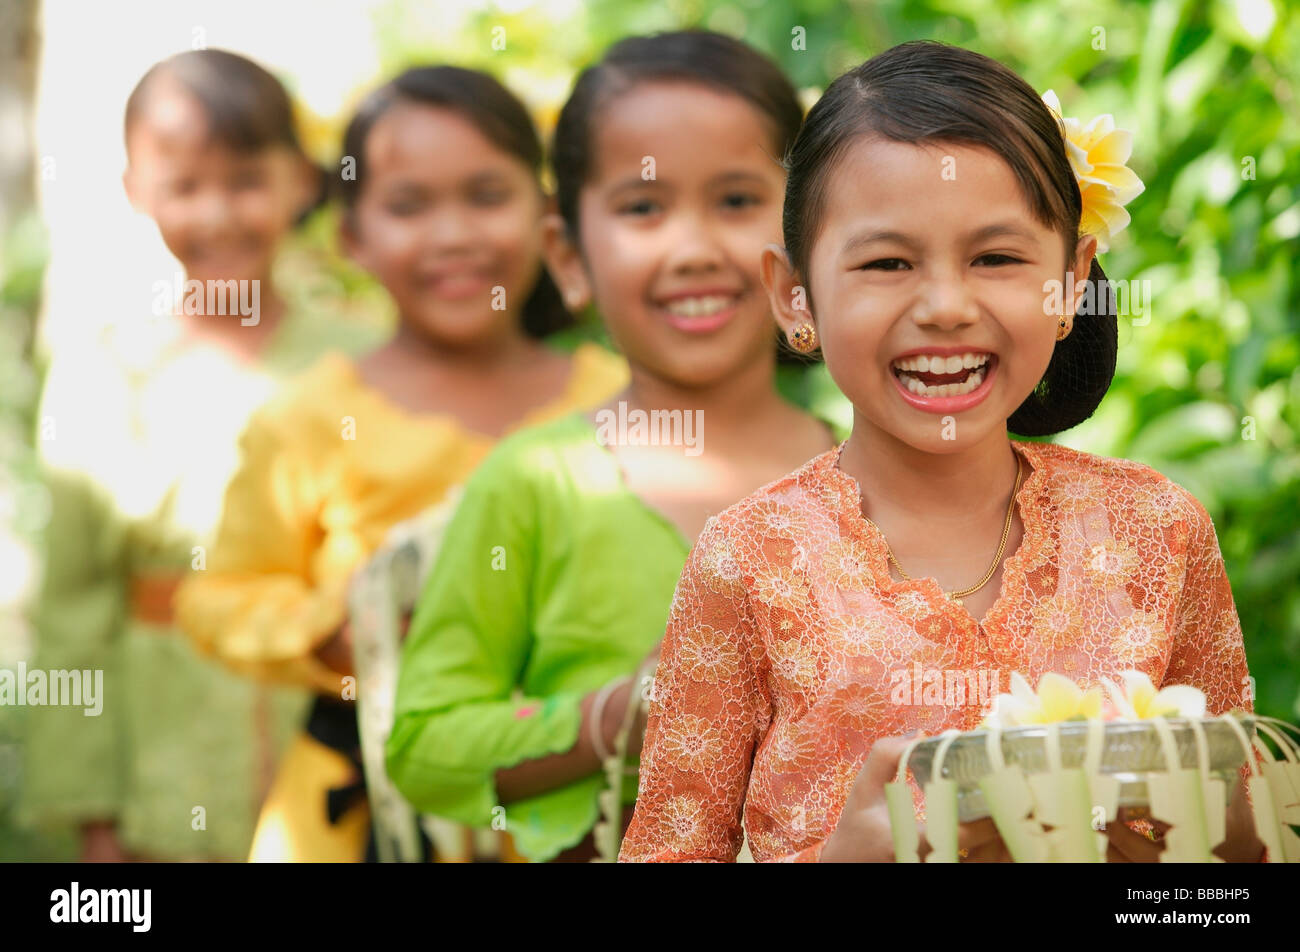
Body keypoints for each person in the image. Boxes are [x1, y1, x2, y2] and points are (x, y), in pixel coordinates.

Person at [619, 40, 1265, 863]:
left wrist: (1200, 846)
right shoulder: (751, 562)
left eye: (996, 258)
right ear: (795, 296)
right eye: (887, 262)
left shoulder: (1157, 534)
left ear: (1070, 283)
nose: (947, 306)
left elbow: (1231, 861)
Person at [385, 30, 838, 863]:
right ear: (568, 255)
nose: (694, 249)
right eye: (643, 208)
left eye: (738, 201)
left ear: (806, 235)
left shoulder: (870, 478)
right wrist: (621, 718)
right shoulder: (535, 483)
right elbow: (423, 744)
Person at [174, 65, 628, 862]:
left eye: (486, 196)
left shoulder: (617, 401)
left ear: (548, 216)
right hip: (355, 814)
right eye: (409, 205)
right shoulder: (309, 417)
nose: (453, 235)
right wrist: (332, 634)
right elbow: (219, 595)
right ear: (353, 236)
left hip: (572, 796)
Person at [22, 48, 386, 861]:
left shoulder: (366, 358)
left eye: (247, 181)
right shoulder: (104, 371)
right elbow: (74, 616)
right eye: (186, 186)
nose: (218, 214)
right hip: (162, 745)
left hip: (327, 727)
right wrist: (97, 818)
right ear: (136, 192)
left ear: (301, 180)